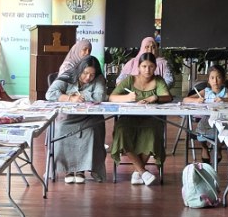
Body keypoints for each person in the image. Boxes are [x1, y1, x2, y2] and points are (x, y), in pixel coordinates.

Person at [110, 50, 173, 186]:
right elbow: (112, 97)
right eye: (144, 66)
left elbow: (168, 97)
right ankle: (142, 172)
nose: (147, 70)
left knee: (154, 131)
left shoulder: (158, 81)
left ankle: (139, 171)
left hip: (150, 118)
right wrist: (127, 97)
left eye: (151, 66)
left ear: (155, 67)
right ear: (138, 67)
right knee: (120, 131)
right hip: (129, 117)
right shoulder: (129, 80)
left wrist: (155, 97)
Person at [45, 53, 107, 184]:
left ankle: (81, 170)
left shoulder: (99, 78)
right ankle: (69, 169)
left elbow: (100, 96)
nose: (88, 77)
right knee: (62, 129)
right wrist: (70, 98)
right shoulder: (68, 76)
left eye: (92, 75)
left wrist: (77, 95)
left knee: (91, 132)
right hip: (69, 117)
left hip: (91, 117)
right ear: (79, 70)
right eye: (85, 73)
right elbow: (50, 94)